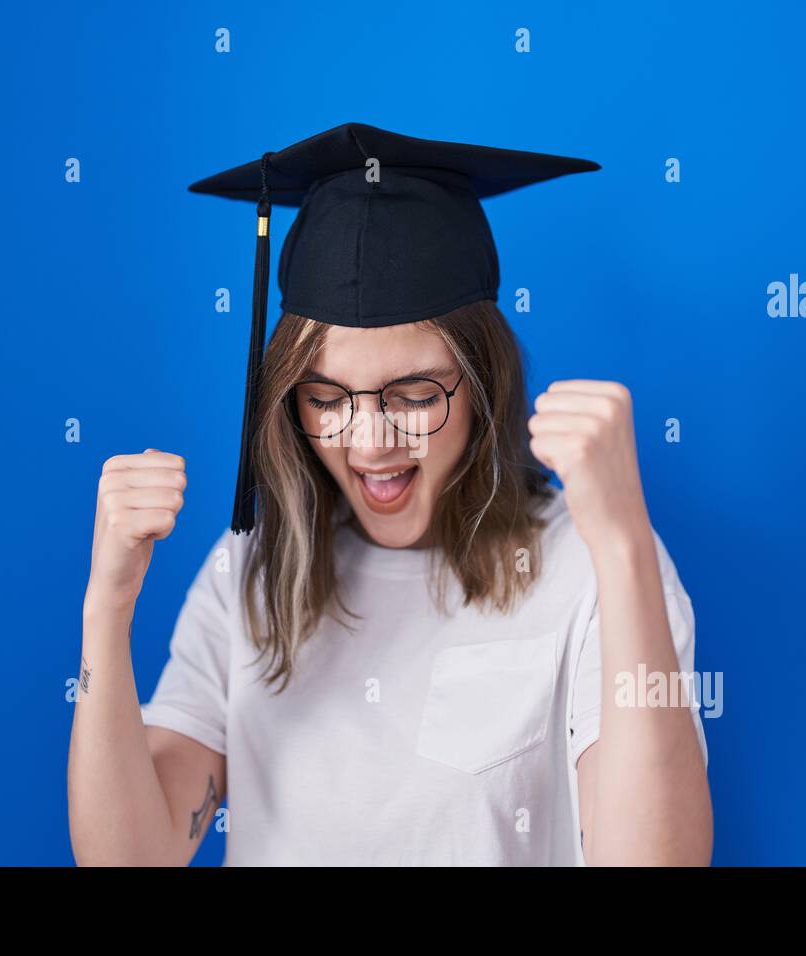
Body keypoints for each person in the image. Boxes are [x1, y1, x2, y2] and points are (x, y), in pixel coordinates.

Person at [66, 123, 712, 866]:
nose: (369, 442)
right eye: (326, 397)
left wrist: (624, 544)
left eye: (412, 394)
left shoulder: (589, 569)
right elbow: (130, 859)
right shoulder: (250, 568)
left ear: (482, 384)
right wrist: (105, 610)